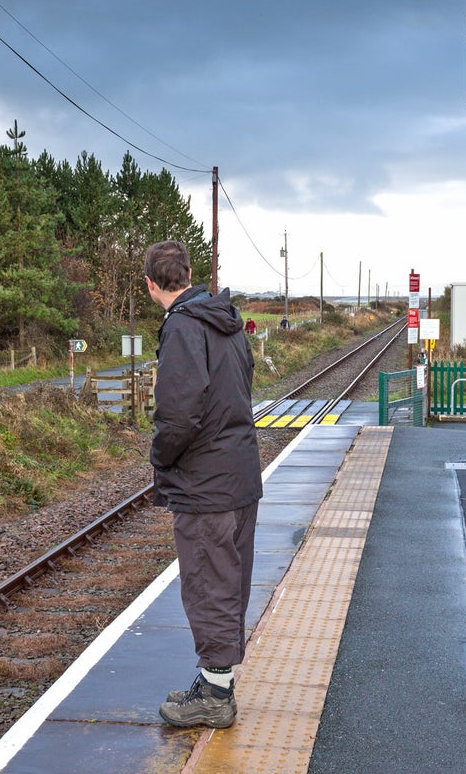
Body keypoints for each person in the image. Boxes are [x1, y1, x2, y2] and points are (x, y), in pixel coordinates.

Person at [144, 240, 263, 729]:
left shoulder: (183, 329)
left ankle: (215, 698)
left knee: (208, 585)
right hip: (240, 477)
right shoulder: (227, 322)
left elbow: (178, 415)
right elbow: (241, 387)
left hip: (206, 486)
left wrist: (160, 460)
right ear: (190, 274)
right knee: (228, 583)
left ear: (151, 284)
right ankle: (217, 682)